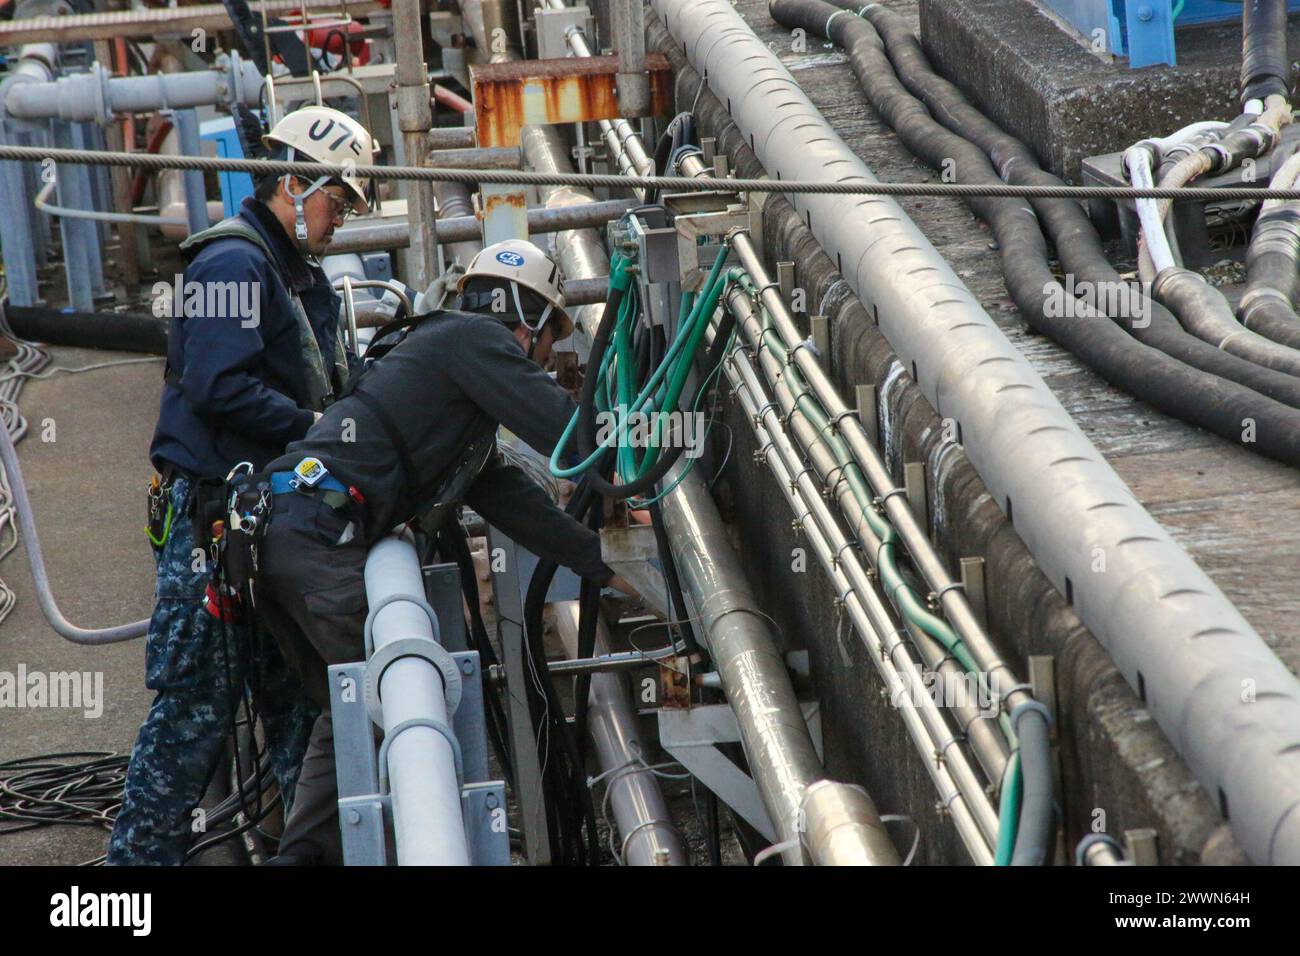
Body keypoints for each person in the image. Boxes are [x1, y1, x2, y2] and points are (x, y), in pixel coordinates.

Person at [252, 238, 634, 864]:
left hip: (290, 533)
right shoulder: (473, 340)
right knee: (401, 718)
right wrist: (656, 433)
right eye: (546, 344)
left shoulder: (451, 381)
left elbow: (508, 497)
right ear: (528, 320)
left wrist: (601, 565)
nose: (542, 361)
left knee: (352, 710)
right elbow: (576, 437)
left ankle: (298, 857)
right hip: (318, 539)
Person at [108, 105, 376, 865]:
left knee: (292, 703)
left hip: (257, 531)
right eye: (339, 202)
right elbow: (218, 385)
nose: (342, 222)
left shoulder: (290, 272)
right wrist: (320, 428)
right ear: (295, 184)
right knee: (192, 719)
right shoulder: (232, 265)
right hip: (212, 530)